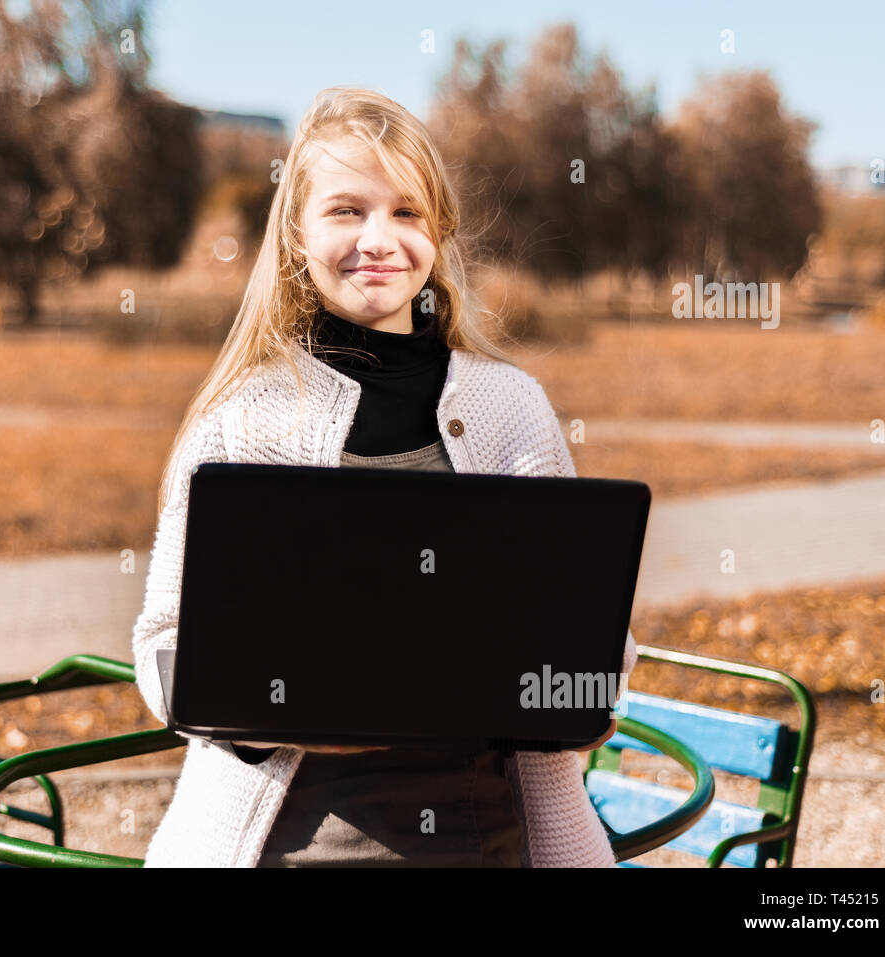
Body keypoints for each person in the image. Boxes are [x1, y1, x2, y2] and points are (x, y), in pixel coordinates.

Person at [131, 85, 635, 867]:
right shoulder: (241, 420)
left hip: (483, 841)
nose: (380, 238)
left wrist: (589, 697)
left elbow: (590, 631)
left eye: (407, 211)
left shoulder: (512, 408)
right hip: (289, 846)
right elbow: (164, 643)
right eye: (345, 210)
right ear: (297, 235)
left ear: (438, 234)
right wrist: (272, 715)